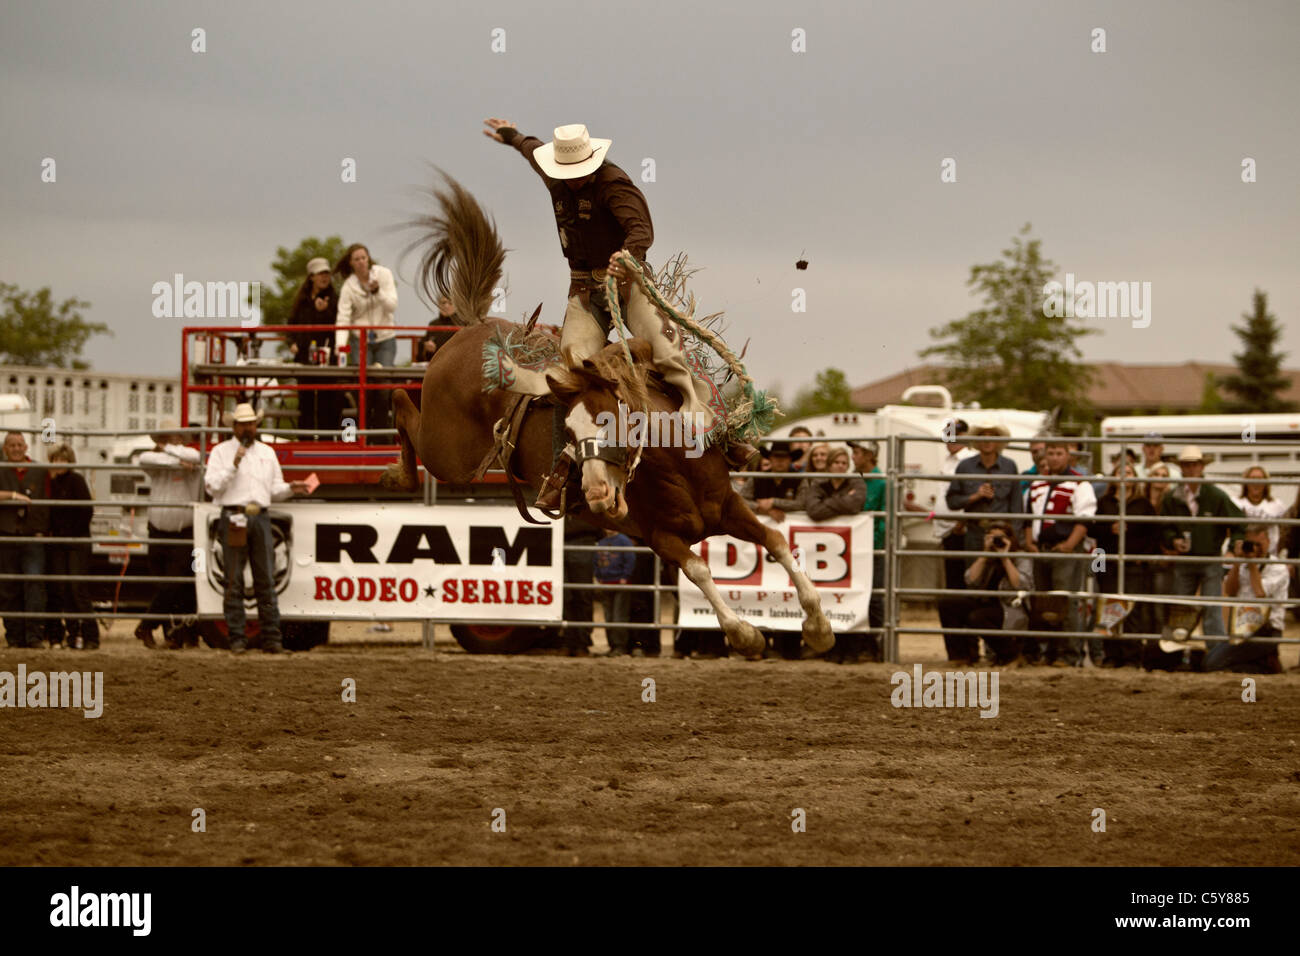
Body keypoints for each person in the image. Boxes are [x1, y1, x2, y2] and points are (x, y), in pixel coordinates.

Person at [482, 118, 756, 508]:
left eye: (579, 173)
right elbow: (533, 150)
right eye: (567, 173)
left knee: (668, 353)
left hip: (627, 285)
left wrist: (627, 257)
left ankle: (724, 437)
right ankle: (563, 471)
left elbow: (641, 229)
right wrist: (511, 136)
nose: (574, 180)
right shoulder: (555, 178)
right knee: (573, 374)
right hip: (582, 288)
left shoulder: (614, 184)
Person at [204, 404, 314, 654]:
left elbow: (274, 489)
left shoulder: (267, 452)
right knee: (234, 580)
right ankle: (238, 638)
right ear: (234, 427)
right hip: (234, 514)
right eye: (243, 424)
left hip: (259, 516)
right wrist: (234, 464)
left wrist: (290, 488)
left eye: (251, 423)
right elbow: (212, 487)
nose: (248, 428)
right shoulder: (222, 452)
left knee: (264, 579)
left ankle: (270, 639)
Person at [1023, 439, 1097, 666]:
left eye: (1059, 453)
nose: (1054, 457)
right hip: (1041, 548)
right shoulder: (1037, 484)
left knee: (1066, 601)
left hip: (1065, 547)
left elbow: (1085, 518)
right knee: (1045, 603)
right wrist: (1029, 541)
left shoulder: (1079, 483)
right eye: (1051, 453)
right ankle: (1050, 651)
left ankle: (1070, 653)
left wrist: (1069, 544)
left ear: (1068, 456)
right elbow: (1028, 516)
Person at [1158, 446, 1244, 641]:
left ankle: (1214, 652)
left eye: (1194, 465)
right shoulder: (1172, 497)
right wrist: (1173, 540)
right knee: (1181, 607)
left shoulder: (1215, 496)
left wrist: (1231, 550)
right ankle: (1178, 651)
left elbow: (1239, 523)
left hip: (1210, 557)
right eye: (1186, 465)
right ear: (1181, 468)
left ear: (1201, 467)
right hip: (1184, 559)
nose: (1190, 469)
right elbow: (1164, 526)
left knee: (1212, 608)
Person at [136, 421, 204, 649]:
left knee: (173, 584)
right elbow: (145, 459)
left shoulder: (191, 457)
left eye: (173, 438)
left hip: (181, 531)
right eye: (164, 439)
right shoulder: (160, 461)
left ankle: (146, 625)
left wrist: (168, 452)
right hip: (157, 530)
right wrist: (174, 458)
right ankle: (172, 635)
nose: (168, 442)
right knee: (165, 586)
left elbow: (194, 456)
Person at [1091, 462, 1156, 667]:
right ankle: (1111, 655)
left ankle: (1131, 657)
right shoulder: (1104, 502)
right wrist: (1110, 529)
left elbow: (1153, 533)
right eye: (1120, 472)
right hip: (1107, 561)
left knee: (1132, 611)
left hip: (1133, 563)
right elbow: (1094, 531)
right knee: (1109, 609)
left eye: (1128, 472)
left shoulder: (1143, 504)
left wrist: (1143, 557)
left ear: (1134, 478)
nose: (1124, 475)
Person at [334, 243, 398, 443]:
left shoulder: (384, 275)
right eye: (357, 259)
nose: (361, 262)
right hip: (359, 340)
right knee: (363, 388)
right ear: (351, 263)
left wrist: (378, 291)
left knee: (383, 386)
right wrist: (340, 347)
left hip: (385, 337)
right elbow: (343, 318)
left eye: (364, 258)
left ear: (369, 259)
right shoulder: (349, 286)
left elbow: (392, 306)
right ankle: (362, 435)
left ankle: (380, 436)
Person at [1203, 524, 1285, 673]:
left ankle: (1266, 667)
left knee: (1214, 665)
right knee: (1208, 661)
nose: (1256, 549)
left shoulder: (1278, 566)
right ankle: (1263, 660)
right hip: (1242, 627)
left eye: (1259, 544)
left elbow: (1260, 594)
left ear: (1268, 542)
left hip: (1266, 630)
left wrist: (1252, 563)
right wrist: (1237, 561)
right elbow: (1230, 591)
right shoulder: (1242, 564)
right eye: (1251, 544)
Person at [45, 445, 98, 650]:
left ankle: (90, 635)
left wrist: (70, 532)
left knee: (77, 588)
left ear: (69, 462)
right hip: (59, 542)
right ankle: (74, 634)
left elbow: (86, 511)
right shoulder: (51, 483)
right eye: (55, 460)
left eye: (63, 460)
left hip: (76, 541)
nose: (59, 464)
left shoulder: (76, 480)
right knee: (63, 589)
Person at [0, 431, 49, 648]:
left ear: (26, 447)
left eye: (20, 445)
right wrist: (12, 495)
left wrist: (43, 529)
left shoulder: (39, 470)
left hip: (32, 535)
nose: (17, 449)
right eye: (12, 445)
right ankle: (14, 636)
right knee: (8, 586)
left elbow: (48, 500)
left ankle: (34, 636)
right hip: (6, 534)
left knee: (34, 583)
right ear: (5, 449)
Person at [959, 521, 1033, 666]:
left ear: (1010, 539)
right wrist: (985, 555)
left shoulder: (1021, 557)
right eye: (991, 537)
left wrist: (1005, 557)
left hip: (1009, 607)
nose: (996, 541)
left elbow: (1021, 585)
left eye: (1000, 537)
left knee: (977, 617)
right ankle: (961, 656)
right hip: (985, 602)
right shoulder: (986, 558)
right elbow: (970, 580)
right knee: (948, 604)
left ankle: (1011, 655)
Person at [288, 257, 339, 436]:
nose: (324, 277)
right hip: (304, 357)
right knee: (306, 401)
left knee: (327, 401)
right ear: (311, 277)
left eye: (326, 273)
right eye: (320, 274)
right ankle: (305, 440)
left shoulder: (333, 299)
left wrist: (323, 312)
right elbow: (291, 324)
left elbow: (336, 325)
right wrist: (292, 342)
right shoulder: (301, 301)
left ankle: (327, 441)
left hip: (326, 357)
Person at [846, 440, 887, 663]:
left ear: (870, 455)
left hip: (870, 546)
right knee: (862, 594)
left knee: (874, 597)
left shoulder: (880, 483)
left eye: (857, 452)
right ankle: (862, 644)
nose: (853, 456)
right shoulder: (853, 479)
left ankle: (875, 644)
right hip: (857, 546)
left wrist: (873, 541)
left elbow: (883, 518)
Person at [593, 530, 636, 656]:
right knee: (608, 616)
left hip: (619, 582)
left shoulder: (623, 541)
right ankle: (612, 645)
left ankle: (619, 645)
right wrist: (598, 575)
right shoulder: (601, 543)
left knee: (619, 615)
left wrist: (625, 576)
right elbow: (596, 561)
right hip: (606, 582)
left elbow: (630, 559)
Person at [740, 442, 806, 523]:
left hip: (795, 524)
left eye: (784, 457)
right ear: (770, 458)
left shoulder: (799, 479)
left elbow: (802, 503)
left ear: (790, 459)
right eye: (776, 456)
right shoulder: (757, 478)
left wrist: (773, 502)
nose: (780, 460)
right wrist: (761, 508)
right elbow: (741, 500)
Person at [1231, 465, 1287, 556]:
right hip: (1241, 554)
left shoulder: (1277, 505)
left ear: (1266, 483)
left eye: (1260, 478)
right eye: (1252, 478)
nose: (1256, 482)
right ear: (1245, 482)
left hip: (1270, 555)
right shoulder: (1235, 503)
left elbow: (1285, 530)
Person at [419, 296, 459, 361]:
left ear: (456, 306)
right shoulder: (433, 324)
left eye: (450, 303)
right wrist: (427, 347)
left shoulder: (463, 324)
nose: (446, 306)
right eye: (443, 303)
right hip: (435, 363)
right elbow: (423, 346)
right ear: (438, 305)